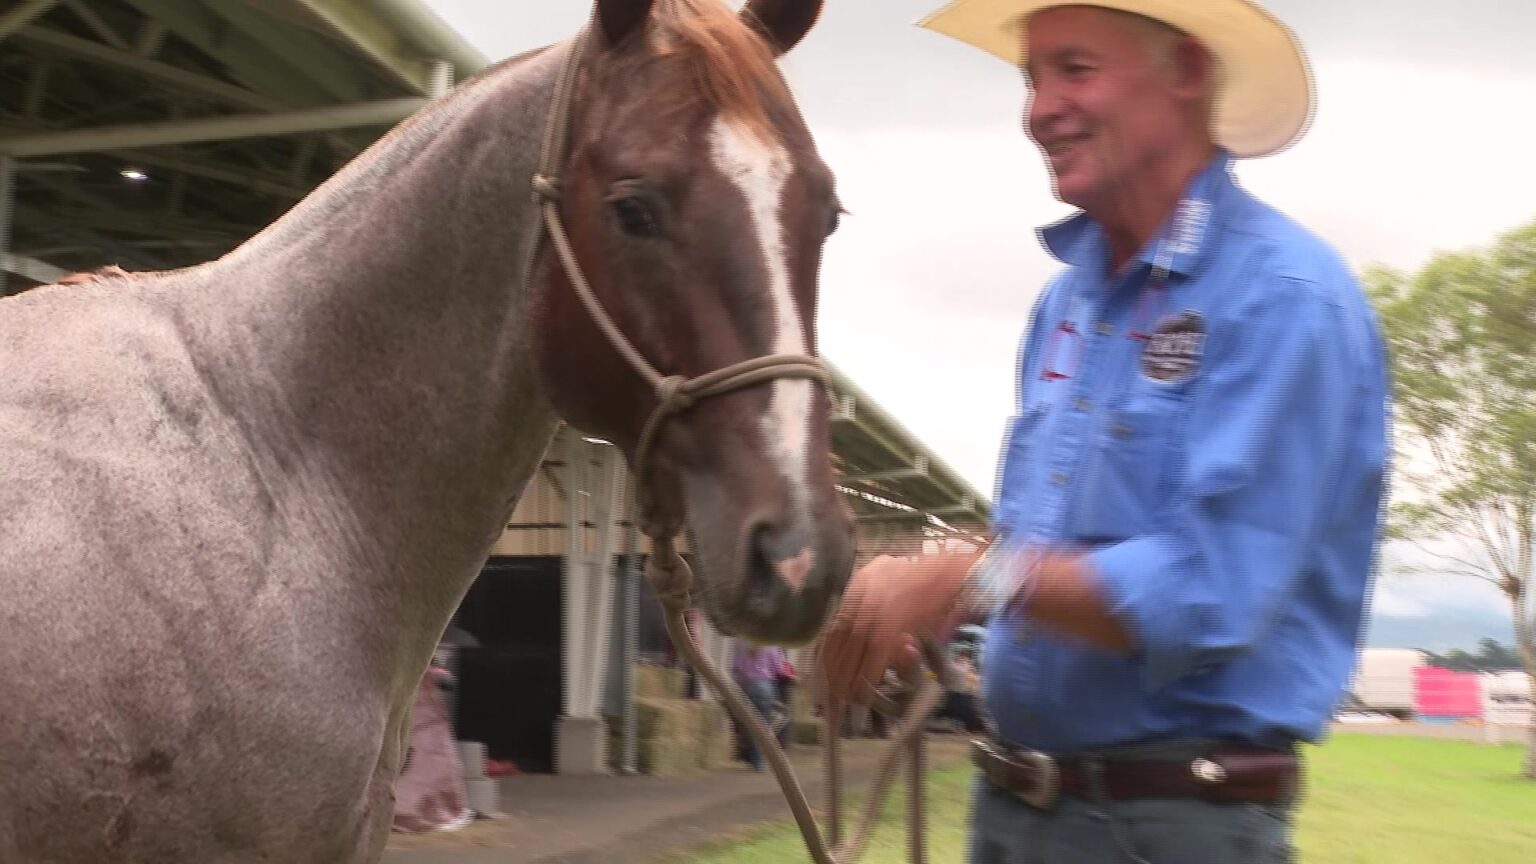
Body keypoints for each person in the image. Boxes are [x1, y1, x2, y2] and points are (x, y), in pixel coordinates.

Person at [818, 2, 1391, 861]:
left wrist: (971, 578)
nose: (1038, 109)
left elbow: (1211, 591)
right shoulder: (1066, 305)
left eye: (1074, 69)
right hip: (1016, 808)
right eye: (1030, 76)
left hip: (1165, 826)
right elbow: (1036, 556)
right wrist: (924, 615)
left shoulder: (1285, 297)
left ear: (1187, 73)